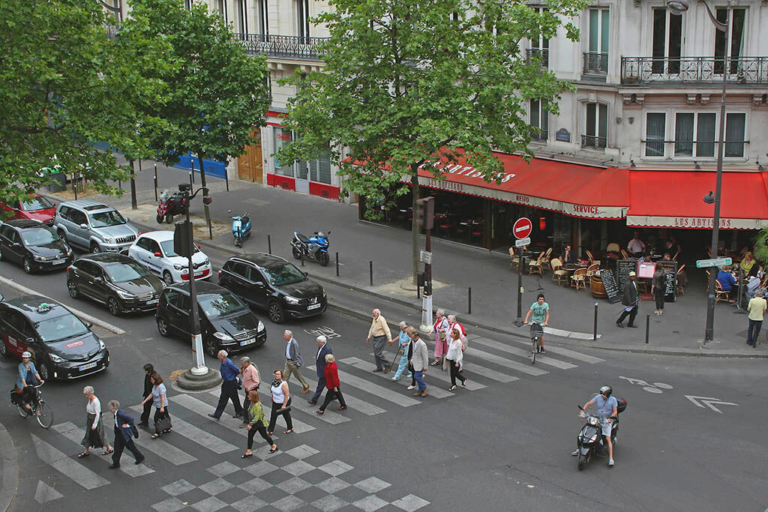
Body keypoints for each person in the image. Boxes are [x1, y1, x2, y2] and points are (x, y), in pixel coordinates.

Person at [573, 386, 618, 467]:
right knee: (584, 432)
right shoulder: (598, 397)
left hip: (606, 420)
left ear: (608, 394)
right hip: (596, 418)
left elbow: (615, 412)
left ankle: (611, 458)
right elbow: (589, 403)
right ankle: (579, 449)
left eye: (603, 394)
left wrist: (609, 419)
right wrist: (583, 411)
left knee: (608, 438)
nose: (602, 395)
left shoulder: (613, 400)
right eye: (601, 393)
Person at [108, 400, 144, 469]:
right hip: (119, 433)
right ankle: (116, 463)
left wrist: (127, 425)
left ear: (113, 408)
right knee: (117, 448)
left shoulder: (120, 414)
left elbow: (131, 419)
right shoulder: (117, 413)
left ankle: (140, 457)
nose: (109, 409)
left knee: (130, 447)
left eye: (110, 407)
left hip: (123, 434)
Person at [208, 350, 244, 420]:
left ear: (222, 356)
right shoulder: (223, 362)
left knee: (234, 399)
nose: (217, 356)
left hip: (231, 383)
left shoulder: (229, 363)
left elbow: (237, 370)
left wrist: (232, 377)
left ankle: (239, 411)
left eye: (218, 355)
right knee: (223, 399)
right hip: (226, 383)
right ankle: (217, 414)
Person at [79, 386, 112, 458]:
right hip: (90, 418)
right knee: (88, 434)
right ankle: (86, 450)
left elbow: (98, 414)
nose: (86, 396)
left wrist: (94, 425)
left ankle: (109, 447)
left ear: (91, 393)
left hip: (94, 419)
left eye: (87, 394)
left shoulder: (96, 402)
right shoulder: (90, 399)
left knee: (100, 434)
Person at [242, 390, 277, 458]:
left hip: (259, 423)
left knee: (264, 435)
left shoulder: (257, 405)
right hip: (256, 423)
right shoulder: (251, 403)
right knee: (251, 436)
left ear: (253, 397)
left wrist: (250, 424)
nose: (247, 396)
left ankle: (273, 446)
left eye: (249, 395)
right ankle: (249, 451)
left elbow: (256, 417)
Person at [140, 372, 170, 439]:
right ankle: (167, 428)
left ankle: (157, 432)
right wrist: (145, 401)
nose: (151, 380)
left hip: (162, 406)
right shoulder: (155, 386)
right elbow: (152, 394)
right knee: (164, 417)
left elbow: (162, 397)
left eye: (152, 379)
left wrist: (162, 407)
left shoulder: (161, 387)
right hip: (158, 405)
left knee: (156, 419)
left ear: (155, 380)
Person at [267, 370, 293, 435]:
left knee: (286, 415)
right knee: (273, 415)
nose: (276, 375)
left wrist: (284, 405)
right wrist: (273, 397)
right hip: (275, 402)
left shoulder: (283, 384)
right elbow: (273, 390)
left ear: (281, 375)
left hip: (283, 402)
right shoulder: (274, 382)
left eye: (278, 374)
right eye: (275, 374)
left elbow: (286, 395)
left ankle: (290, 428)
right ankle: (270, 430)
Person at [309, 336, 333, 405]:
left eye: (318, 342)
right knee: (330, 385)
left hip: (324, 371)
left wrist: (326, 371)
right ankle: (334, 395)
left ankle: (314, 399)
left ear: (322, 343)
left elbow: (329, 361)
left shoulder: (327, 349)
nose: (317, 343)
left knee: (320, 386)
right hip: (321, 369)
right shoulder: (321, 347)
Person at [239, 356, 260, 428]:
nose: (241, 365)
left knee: (246, 406)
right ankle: (255, 418)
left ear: (247, 363)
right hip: (247, 390)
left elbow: (256, 382)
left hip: (251, 390)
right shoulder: (245, 368)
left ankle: (246, 421)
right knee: (252, 405)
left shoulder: (252, 370)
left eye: (242, 363)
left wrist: (249, 388)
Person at [409, 330, 429, 397]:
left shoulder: (422, 345)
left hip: (420, 364)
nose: (412, 339)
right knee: (418, 377)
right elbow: (413, 352)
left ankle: (425, 388)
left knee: (417, 377)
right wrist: (412, 359)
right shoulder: (413, 341)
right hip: (415, 362)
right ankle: (420, 390)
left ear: (417, 337)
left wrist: (425, 366)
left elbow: (425, 356)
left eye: (413, 338)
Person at [139, 363, 154, 427]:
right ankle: (144, 421)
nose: (144, 371)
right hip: (147, 394)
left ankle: (145, 421)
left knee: (147, 408)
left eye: (145, 370)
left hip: (151, 395)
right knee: (146, 408)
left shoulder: (153, 376)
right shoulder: (147, 375)